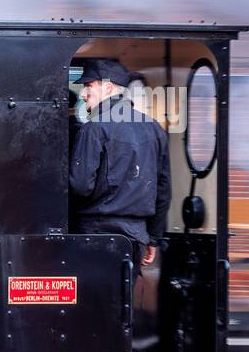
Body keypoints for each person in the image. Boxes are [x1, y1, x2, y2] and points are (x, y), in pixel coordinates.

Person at [68, 58, 171, 272]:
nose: (83, 94)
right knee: (123, 302)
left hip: (94, 234)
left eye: (89, 86)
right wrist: (153, 239)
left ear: (107, 87)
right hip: (136, 237)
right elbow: (163, 191)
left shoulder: (94, 129)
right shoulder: (155, 130)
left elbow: (80, 186)